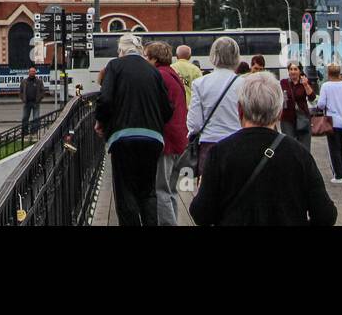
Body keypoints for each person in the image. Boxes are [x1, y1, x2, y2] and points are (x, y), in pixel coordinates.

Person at [190, 73, 338, 226]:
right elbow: (326, 215)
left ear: (240, 109)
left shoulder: (219, 153)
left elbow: (202, 215)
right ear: (279, 112)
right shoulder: (299, 154)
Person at [94, 33, 173, 226]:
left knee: (125, 191)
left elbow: (105, 99)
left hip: (123, 137)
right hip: (152, 138)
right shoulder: (153, 71)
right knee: (148, 191)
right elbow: (167, 108)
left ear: (120, 50)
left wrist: (101, 122)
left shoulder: (115, 66)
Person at [185, 36, 245, 176]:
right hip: (237, 144)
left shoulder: (199, 84)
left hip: (209, 144)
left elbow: (195, 124)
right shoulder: (245, 84)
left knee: (209, 193)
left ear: (213, 55)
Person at [144, 41, 188, 226]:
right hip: (178, 137)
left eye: (147, 56)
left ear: (154, 58)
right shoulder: (172, 74)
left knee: (161, 189)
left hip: (166, 140)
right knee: (171, 190)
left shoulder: (159, 76)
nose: (145, 60)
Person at [279, 60, 317, 151]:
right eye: (291, 69)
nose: (293, 72)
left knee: (304, 147)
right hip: (287, 118)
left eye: (295, 69)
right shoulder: (283, 83)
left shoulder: (304, 82)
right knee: (290, 146)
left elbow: (312, 97)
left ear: (300, 71)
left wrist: (306, 85)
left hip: (302, 117)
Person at [19, 66, 45, 135]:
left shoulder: (39, 81)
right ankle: (25, 131)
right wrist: (23, 99)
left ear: (35, 73)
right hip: (27, 103)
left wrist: (39, 99)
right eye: (31, 71)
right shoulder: (24, 81)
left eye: (34, 71)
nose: (32, 73)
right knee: (25, 118)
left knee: (36, 118)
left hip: (36, 103)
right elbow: (21, 91)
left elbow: (42, 91)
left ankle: (34, 131)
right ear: (29, 72)